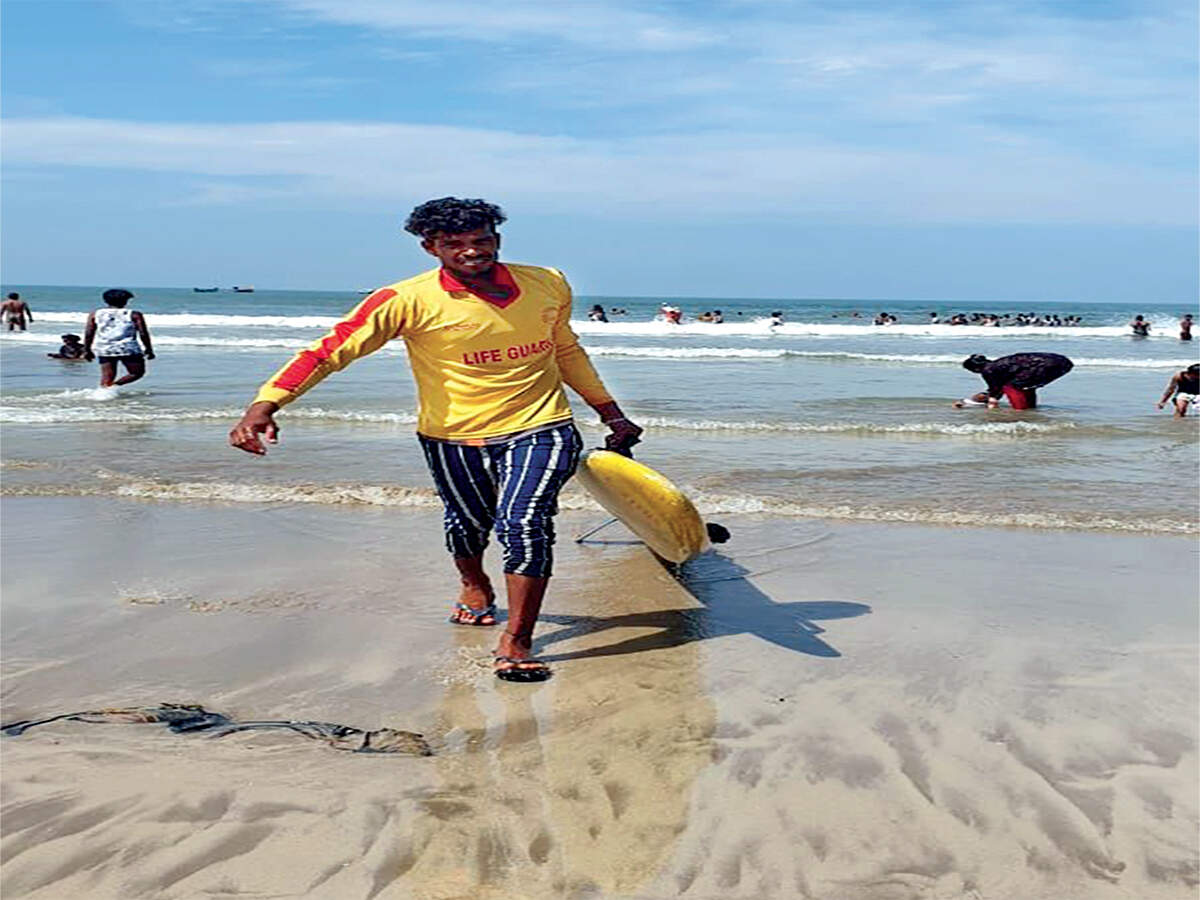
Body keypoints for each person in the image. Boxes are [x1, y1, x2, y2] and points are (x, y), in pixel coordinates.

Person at [228, 197, 643, 683]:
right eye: (455, 244)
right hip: (453, 434)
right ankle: (474, 584)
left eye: (481, 240)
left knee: (524, 523)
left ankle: (517, 640)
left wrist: (610, 413)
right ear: (431, 248)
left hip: (542, 423)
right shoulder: (405, 299)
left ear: (498, 240)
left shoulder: (547, 282)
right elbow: (328, 351)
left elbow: (566, 351)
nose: (472, 251)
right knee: (467, 523)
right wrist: (267, 404)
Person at [83, 289, 155, 386]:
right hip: (128, 347)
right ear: (125, 301)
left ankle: (104, 393)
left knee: (107, 377)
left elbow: (89, 333)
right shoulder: (134, 314)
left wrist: (87, 349)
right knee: (136, 373)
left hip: (105, 347)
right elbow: (143, 333)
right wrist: (149, 349)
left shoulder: (96, 314)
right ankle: (114, 387)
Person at [959, 352, 1074, 409]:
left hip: (1045, 365)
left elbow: (995, 391)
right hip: (1063, 362)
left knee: (1012, 387)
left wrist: (991, 407)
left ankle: (1020, 411)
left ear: (975, 368)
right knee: (1026, 386)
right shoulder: (1000, 367)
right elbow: (996, 390)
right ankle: (1030, 408)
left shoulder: (988, 369)